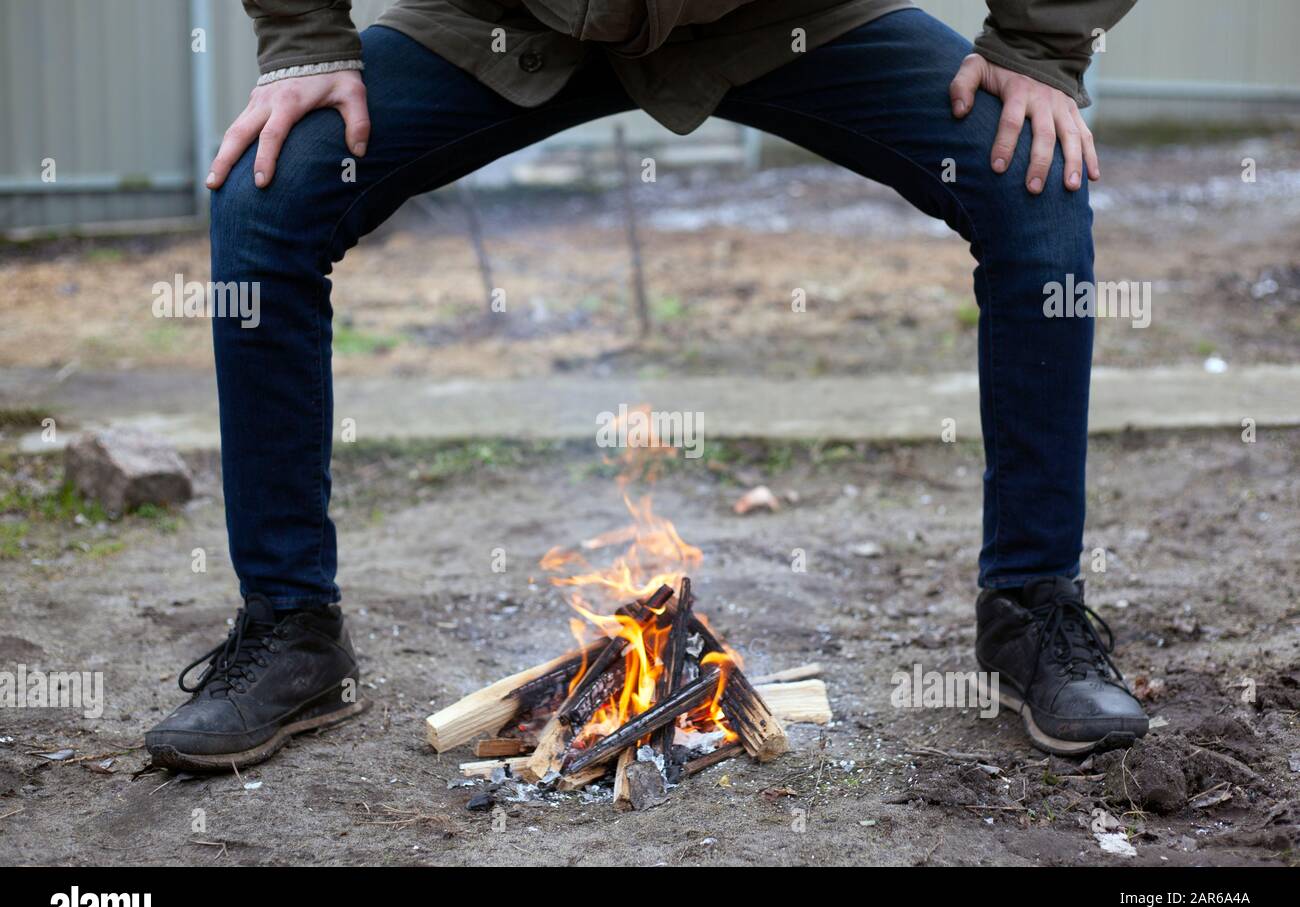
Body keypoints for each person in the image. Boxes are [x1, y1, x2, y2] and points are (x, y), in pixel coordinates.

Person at [145, 0, 1148, 771]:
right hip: (511, 21)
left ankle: (1031, 612)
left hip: (781, 19)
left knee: (1035, 186)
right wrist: (305, 36)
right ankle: (290, 628)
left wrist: (1038, 44)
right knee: (266, 198)